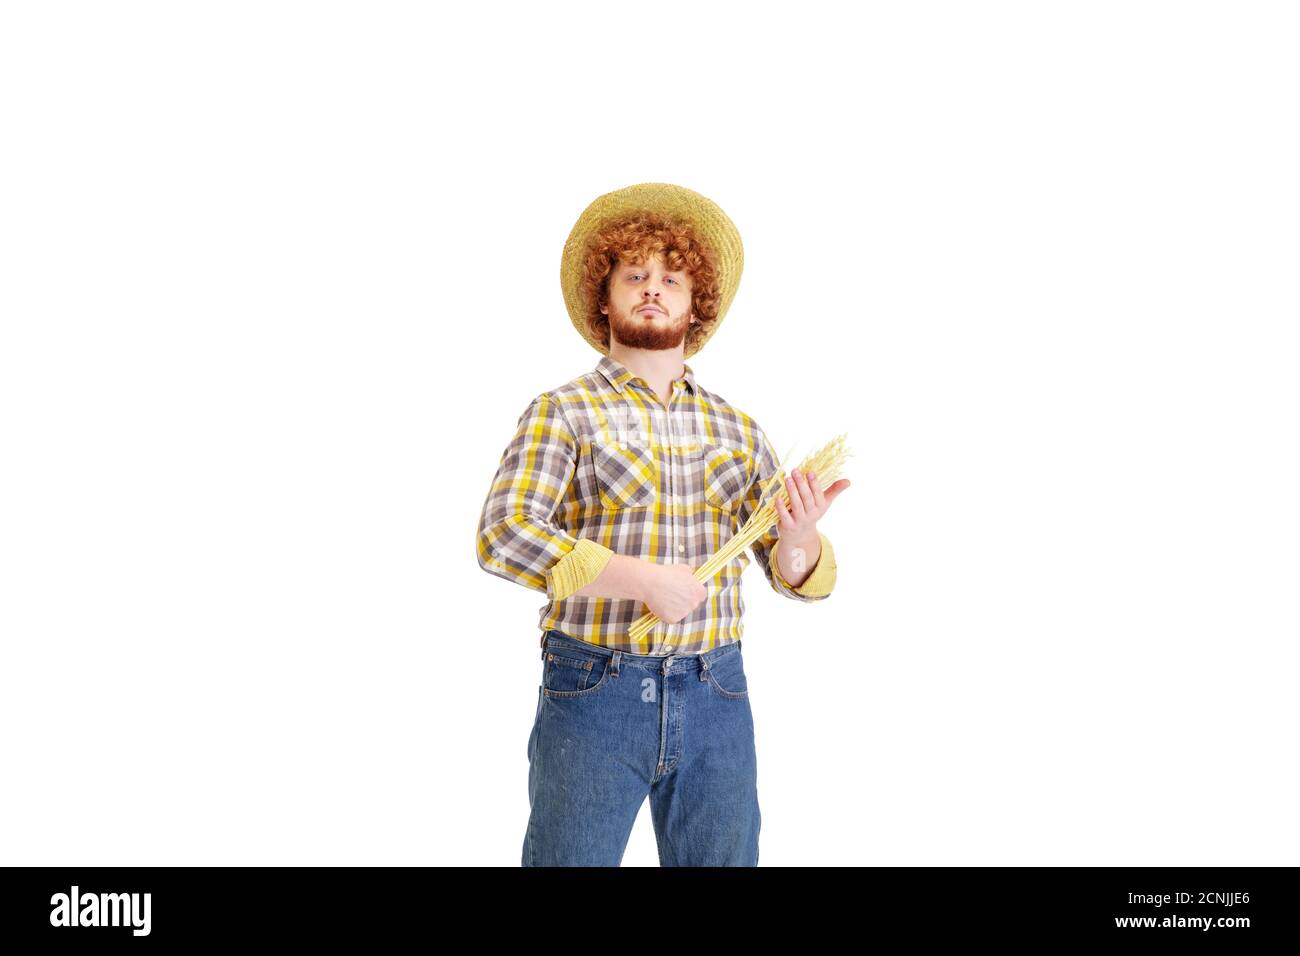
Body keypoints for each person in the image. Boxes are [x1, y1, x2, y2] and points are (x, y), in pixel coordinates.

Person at [474, 182, 850, 866]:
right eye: (636, 275)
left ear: (695, 302)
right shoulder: (563, 412)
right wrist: (638, 581)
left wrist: (799, 536)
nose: (654, 289)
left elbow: (789, 573)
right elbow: (504, 534)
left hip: (717, 691)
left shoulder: (736, 428)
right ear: (605, 296)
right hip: (593, 690)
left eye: (671, 278)